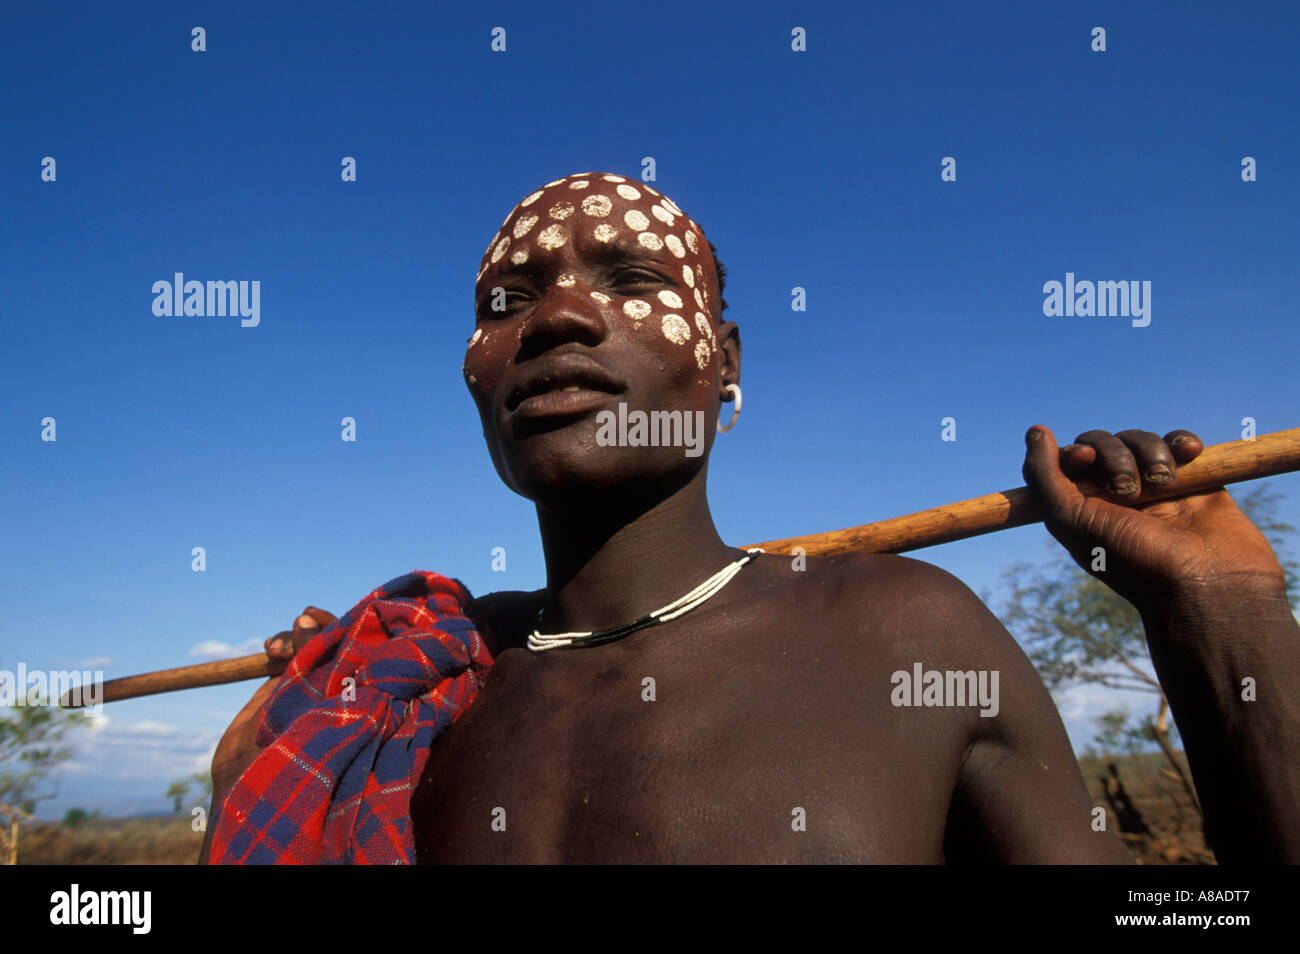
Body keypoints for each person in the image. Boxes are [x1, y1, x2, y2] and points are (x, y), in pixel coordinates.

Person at [200, 172, 1300, 864]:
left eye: (628, 276)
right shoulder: (427, 687)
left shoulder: (899, 634)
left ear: (723, 366)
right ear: (474, 372)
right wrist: (291, 723)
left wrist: (1223, 621)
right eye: (509, 300)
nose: (560, 317)